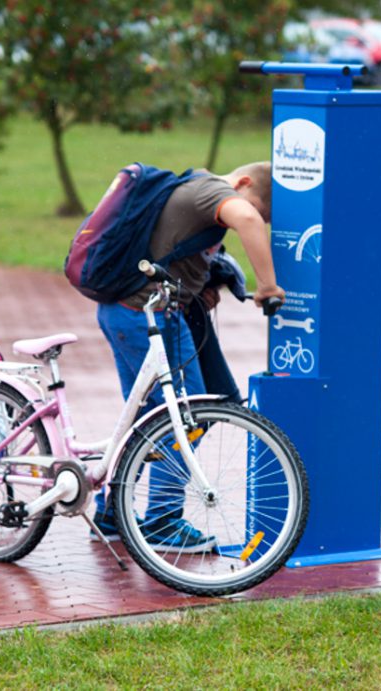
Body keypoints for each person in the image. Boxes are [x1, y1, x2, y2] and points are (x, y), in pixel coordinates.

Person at [93, 161, 285, 552]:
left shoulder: (198, 191)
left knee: (150, 418)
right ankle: (162, 522)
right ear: (243, 182)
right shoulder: (212, 192)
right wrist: (267, 286)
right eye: (263, 210)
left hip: (138, 313)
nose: (253, 220)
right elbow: (247, 217)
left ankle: (111, 512)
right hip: (144, 316)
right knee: (188, 416)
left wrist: (199, 285)